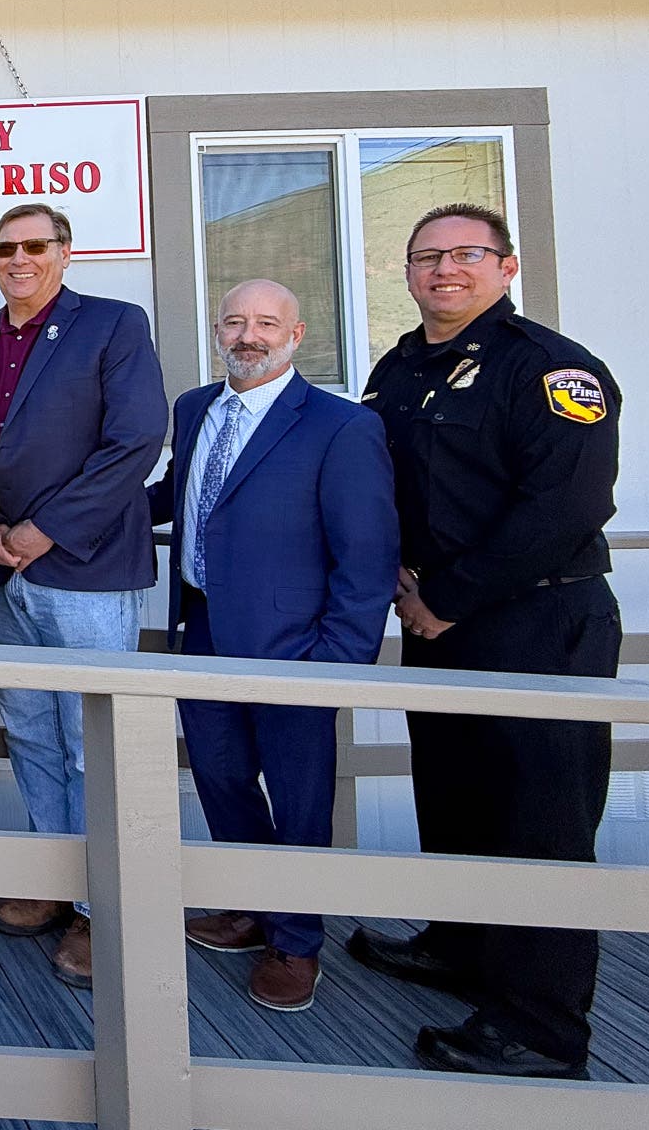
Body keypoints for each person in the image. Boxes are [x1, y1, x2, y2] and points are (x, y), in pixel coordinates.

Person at [345, 205, 622, 1079]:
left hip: (539, 622)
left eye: (466, 254)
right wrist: (400, 577)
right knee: (456, 794)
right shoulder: (400, 367)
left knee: (542, 821)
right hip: (437, 619)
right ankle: (462, 946)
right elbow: (385, 483)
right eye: (427, 256)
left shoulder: (551, 369)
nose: (444, 270)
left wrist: (448, 597)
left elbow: (567, 507)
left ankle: (541, 1029)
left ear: (507, 267)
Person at [148, 280, 397, 1012]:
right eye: (234, 322)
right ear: (217, 332)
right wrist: (73, 519)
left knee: (299, 798)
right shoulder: (196, 407)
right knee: (221, 777)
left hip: (297, 646)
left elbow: (367, 556)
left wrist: (338, 664)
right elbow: (179, 493)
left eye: (265, 323)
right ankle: (252, 908)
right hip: (204, 630)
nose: (247, 336)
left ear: (297, 335)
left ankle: (297, 941)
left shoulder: (341, 426)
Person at [0, 202, 166, 988]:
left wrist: (45, 530)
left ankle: (104, 908)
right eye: (6, 247)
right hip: (3, 571)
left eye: (35, 245)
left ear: (64, 253)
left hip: (85, 568)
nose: (19, 259)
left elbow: (135, 438)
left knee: (90, 744)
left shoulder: (113, 324)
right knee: (32, 732)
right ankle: (54, 878)